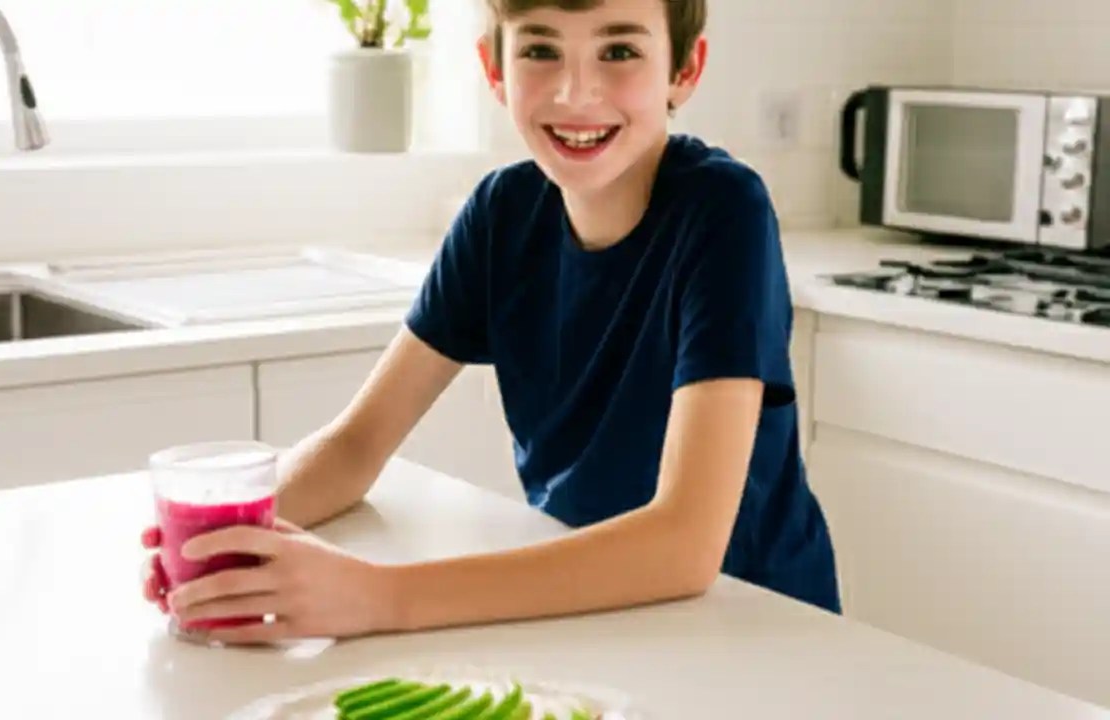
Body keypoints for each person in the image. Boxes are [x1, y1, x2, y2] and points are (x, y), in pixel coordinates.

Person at [140, 0, 841, 646]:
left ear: (683, 70)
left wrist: (378, 597)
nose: (575, 91)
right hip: (601, 612)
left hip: (751, 628)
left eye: (618, 52)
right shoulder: (503, 214)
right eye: (540, 50)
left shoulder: (723, 212)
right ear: (493, 69)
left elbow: (685, 545)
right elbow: (357, 445)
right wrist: (233, 545)